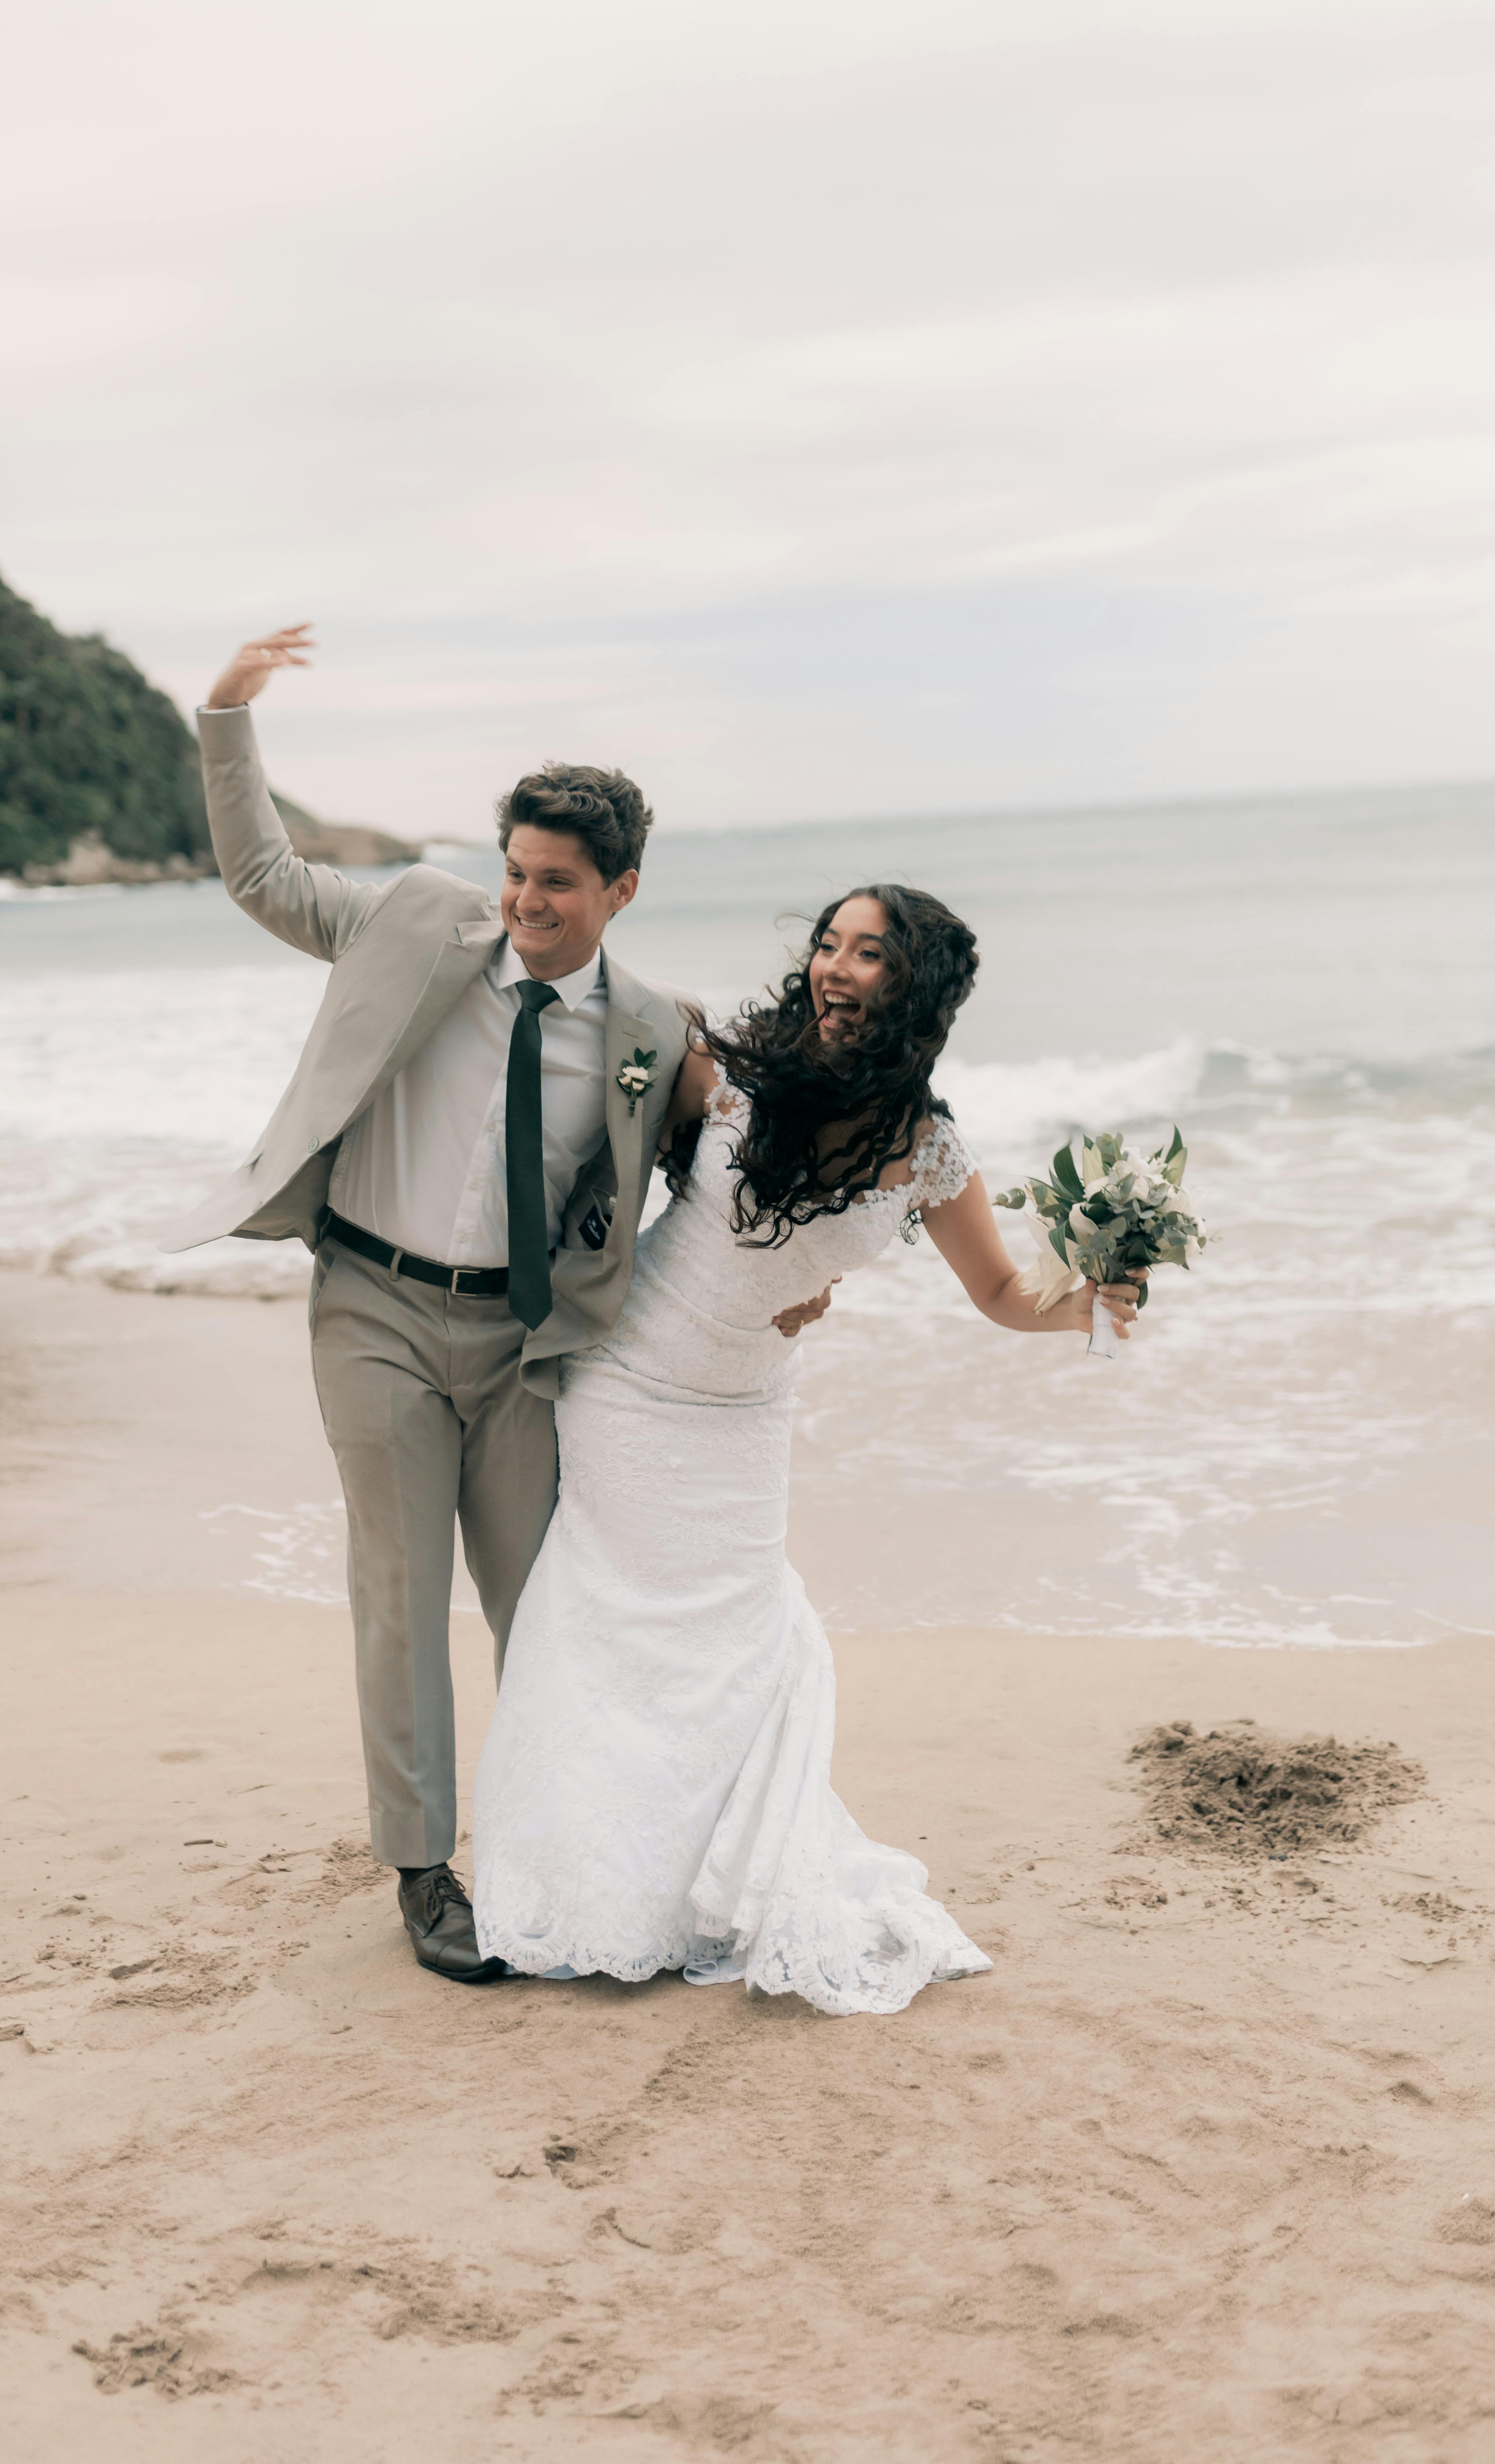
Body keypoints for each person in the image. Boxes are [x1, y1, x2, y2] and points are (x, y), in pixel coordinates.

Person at [163, 628, 831, 1983]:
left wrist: (795, 1287)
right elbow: (261, 875)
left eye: (560, 884)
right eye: (517, 873)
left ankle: (567, 1848)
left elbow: (740, 1180)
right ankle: (425, 1873)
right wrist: (227, 717)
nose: (528, 902)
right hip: (374, 1308)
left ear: (622, 888)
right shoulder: (416, 917)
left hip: (532, 1347)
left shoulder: (652, 1034)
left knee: (551, 1606)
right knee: (404, 1591)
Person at [471, 883, 1144, 2015]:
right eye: (828, 944)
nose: (835, 966)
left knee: (733, 1646)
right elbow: (588, 1162)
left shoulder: (929, 1148)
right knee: (618, 1634)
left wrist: (1096, 1298)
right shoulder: (724, 1067)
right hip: (630, 1388)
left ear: (914, 986)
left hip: (745, 1417)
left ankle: (699, 1886)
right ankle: (596, 1881)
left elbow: (998, 1291)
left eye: (868, 953)